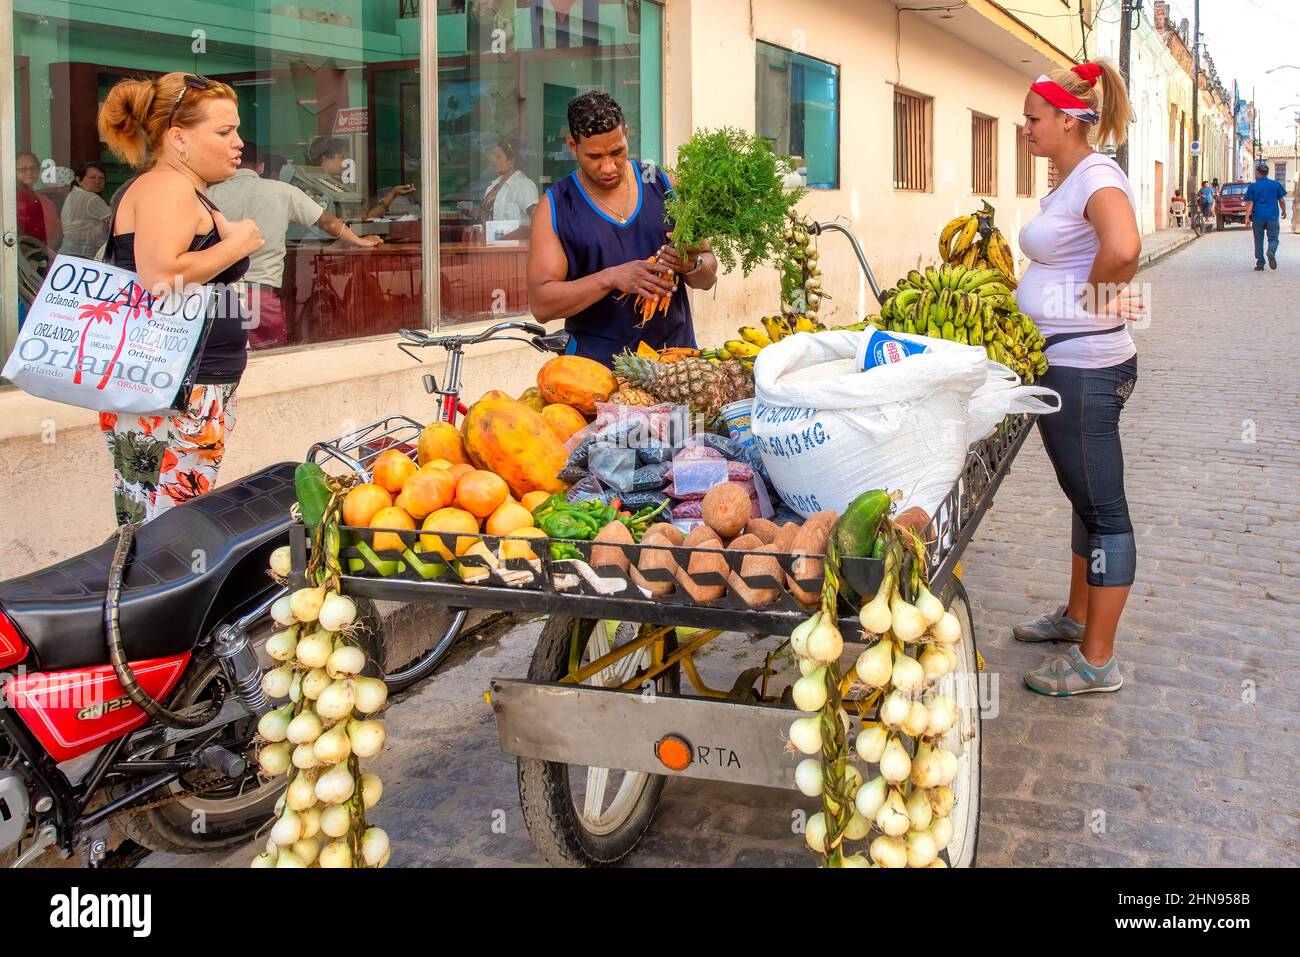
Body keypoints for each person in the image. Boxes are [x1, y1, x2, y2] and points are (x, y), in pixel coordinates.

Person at [1015, 60, 1144, 697]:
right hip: (1072, 362)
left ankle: (1098, 660)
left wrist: (1092, 300)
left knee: (1103, 508)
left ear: (1067, 120)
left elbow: (1122, 247)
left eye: (1033, 119)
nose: (1025, 129)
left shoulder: (1095, 173)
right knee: (1082, 495)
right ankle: (1075, 617)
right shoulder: (1074, 177)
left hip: (1086, 370)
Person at [96, 72, 264, 525]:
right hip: (173, 392)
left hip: (182, 389)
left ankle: (139, 593)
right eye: (224, 131)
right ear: (178, 138)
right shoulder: (166, 187)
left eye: (237, 131)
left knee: (157, 522)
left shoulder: (183, 189)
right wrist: (239, 243)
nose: (239, 143)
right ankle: (139, 596)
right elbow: (162, 275)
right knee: (164, 529)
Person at [526, 91, 717, 366]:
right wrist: (611, 278)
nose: (608, 167)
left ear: (626, 133)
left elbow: (708, 278)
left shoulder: (665, 185)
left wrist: (693, 265)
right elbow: (542, 305)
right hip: (597, 373)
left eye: (617, 151)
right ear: (572, 146)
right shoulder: (555, 207)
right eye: (594, 156)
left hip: (677, 366)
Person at [209, 140, 382, 348]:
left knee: (226, 358)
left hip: (218, 295)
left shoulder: (210, 195)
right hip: (261, 294)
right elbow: (326, 220)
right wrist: (359, 241)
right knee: (271, 359)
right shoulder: (283, 191)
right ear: (261, 166)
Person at [305, 135, 415, 220]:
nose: (346, 162)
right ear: (325, 158)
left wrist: (393, 194)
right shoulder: (311, 187)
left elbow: (365, 216)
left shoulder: (338, 185)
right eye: (342, 157)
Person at [480, 139, 538, 235]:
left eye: (498, 157)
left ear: (511, 162)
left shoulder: (524, 185)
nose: (492, 159)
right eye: (493, 155)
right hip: (491, 245)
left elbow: (537, 217)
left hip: (513, 246)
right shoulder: (493, 186)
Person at [59, 162, 113, 258]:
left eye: (101, 178)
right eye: (92, 177)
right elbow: (115, 221)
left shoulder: (73, 194)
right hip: (82, 254)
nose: (97, 181)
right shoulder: (90, 198)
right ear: (79, 180)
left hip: (68, 252)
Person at [1244, 160, 1287, 270]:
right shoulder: (1275, 185)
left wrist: (1247, 218)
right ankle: (1271, 251)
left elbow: (1250, 203)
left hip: (1258, 217)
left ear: (1258, 173)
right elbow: (1281, 200)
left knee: (1258, 240)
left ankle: (1260, 264)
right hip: (1272, 216)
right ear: (1267, 173)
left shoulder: (1253, 186)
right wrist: (1284, 211)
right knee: (1274, 239)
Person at [16, 151, 62, 249]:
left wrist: (46, 251)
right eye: (23, 169)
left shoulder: (45, 201)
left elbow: (57, 231)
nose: (29, 172)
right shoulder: (8, 198)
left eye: (33, 168)